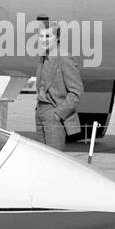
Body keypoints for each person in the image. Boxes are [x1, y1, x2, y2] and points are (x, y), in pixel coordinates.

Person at [34, 17, 83, 149]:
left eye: (48, 36)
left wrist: (58, 114)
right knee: (41, 156)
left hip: (54, 112)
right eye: (41, 36)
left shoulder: (65, 58)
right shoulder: (43, 57)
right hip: (40, 111)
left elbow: (76, 92)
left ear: (57, 37)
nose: (44, 40)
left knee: (53, 156)